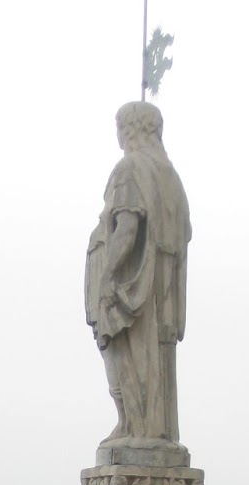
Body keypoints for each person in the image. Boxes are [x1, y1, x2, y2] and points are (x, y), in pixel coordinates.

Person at [85, 101, 191, 446]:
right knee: (155, 360)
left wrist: (108, 276)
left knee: (127, 353)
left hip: (133, 288)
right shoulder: (170, 177)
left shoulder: (131, 168)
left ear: (128, 130)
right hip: (164, 290)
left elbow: (127, 228)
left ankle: (132, 426)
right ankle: (150, 429)